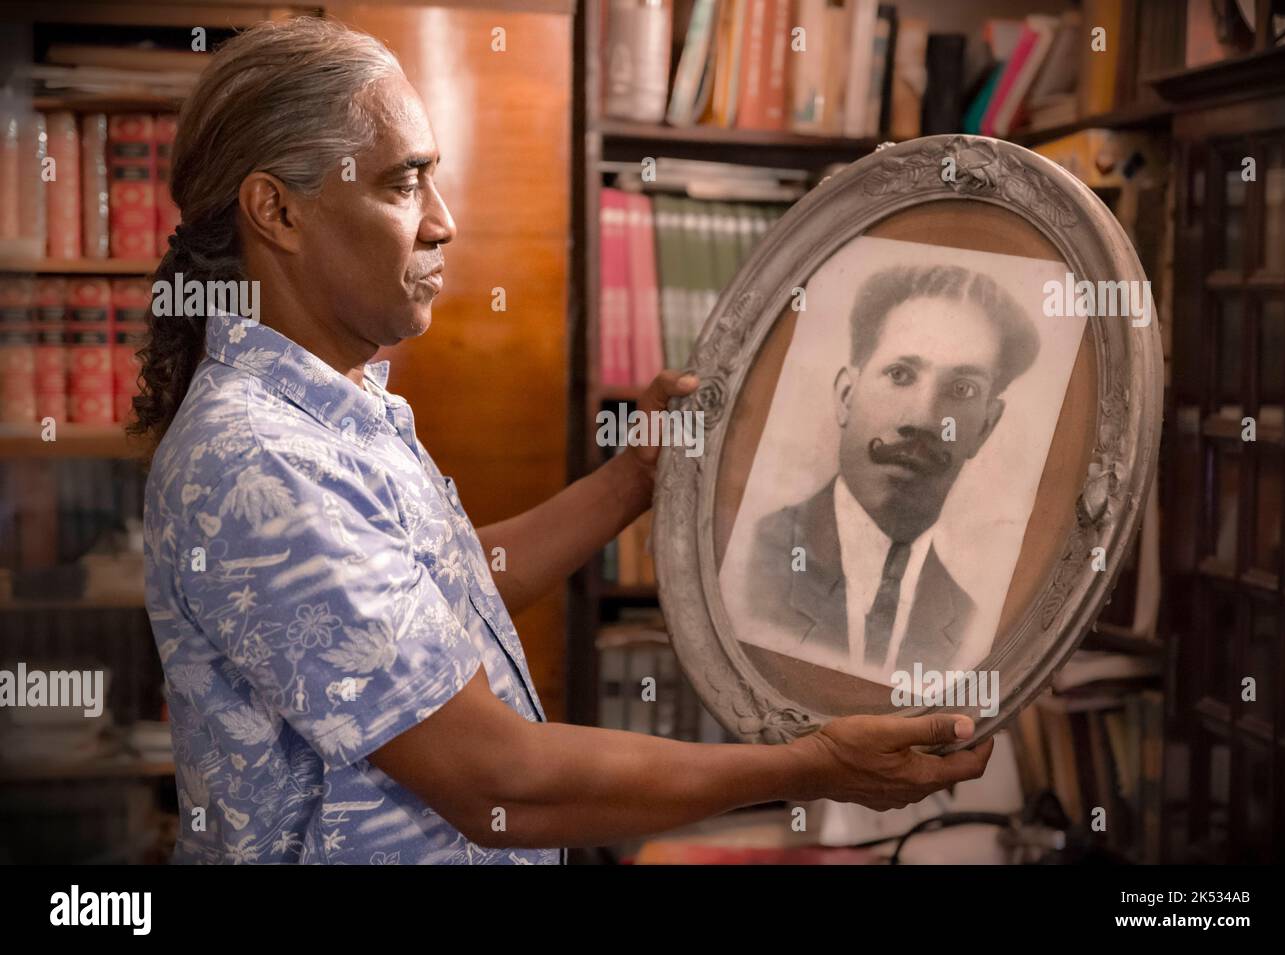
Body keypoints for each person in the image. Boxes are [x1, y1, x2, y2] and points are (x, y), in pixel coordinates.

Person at [135, 17, 993, 865]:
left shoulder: (335, 409)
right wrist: (813, 767)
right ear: (275, 209)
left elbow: (454, 586)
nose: (444, 222)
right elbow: (495, 778)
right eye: (403, 185)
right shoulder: (263, 457)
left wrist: (634, 477)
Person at [746, 264, 1040, 676]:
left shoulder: (976, 635)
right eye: (900, 375)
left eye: (962, 390)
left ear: (985, 428)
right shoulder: (752, 562)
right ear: (847, 396)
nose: (922, 418)